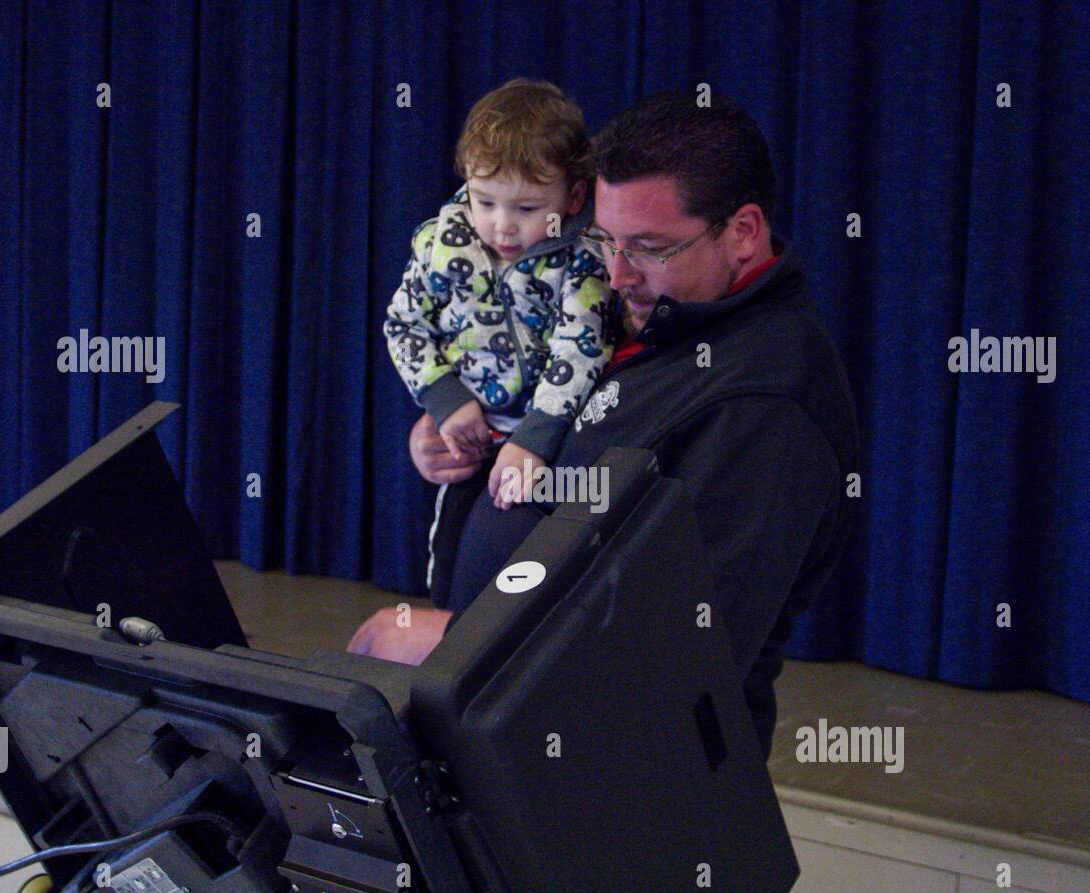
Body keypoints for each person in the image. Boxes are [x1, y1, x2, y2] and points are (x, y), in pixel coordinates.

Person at [353, 92, 859, 756]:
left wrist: (457, 644)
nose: (616, 275)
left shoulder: (766, 405)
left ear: (742, 231)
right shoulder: (663, 312)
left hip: (622, 793)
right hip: (503, 729)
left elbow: (684, 649)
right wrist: (447, 433)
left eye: (648, 248)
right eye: (608, 241)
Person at [383, 78, 615, 604]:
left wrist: (535, 439)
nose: (501, 226)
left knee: (523, 591)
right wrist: (445, 402)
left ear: (574, 194)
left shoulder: (585, 257)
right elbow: (404, 326)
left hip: (552, 449)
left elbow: (580, 348)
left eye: (528, 209)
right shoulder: (445, 242)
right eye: (484, 200)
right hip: (471, 439)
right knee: (449, 583)